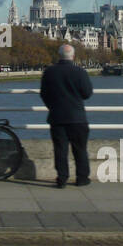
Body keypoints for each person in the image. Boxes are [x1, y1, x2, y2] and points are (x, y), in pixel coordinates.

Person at [39, 43, 94, 188]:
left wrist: (52, 107)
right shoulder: (80, 72)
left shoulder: (49, 72)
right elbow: (87, 93)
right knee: (80, 149)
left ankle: (62, 178)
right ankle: (82, 178)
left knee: (60, 149)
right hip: (77, 117)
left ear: (59, 55)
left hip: (57, 117)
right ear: (73, 56)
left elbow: (44, 94)